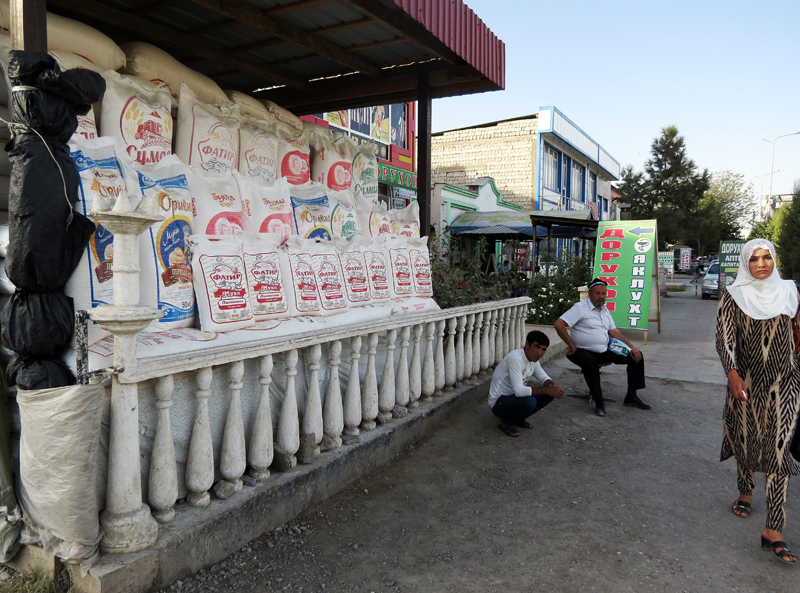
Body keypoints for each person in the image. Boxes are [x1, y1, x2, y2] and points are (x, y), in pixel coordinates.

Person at [716, 238, 800, 564]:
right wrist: (733, 373)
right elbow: (724, 337)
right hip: (746, 381)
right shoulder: (733, 294)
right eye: (755, 259)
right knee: (747, 438)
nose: (762, 263)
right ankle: (746, 490)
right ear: (745, 262)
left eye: (767, 257)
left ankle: (773, 529)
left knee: (780, 449)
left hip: (786, 384)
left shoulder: (791, 292)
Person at [553, 278, 650, 417]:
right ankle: (599, 401)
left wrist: (632, 347)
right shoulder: (580, 308)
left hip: (604, 349)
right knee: (589, 362)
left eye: (604, 294)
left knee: (636, 356)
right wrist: (571, 345)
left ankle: (631, 396)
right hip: (580, 351)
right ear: (590, 294)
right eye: (597, 293)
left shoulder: (604, 310)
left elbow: (613, 331)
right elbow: (559, 324)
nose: (601, 297)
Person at [489, 330, 564, 437]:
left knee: (549, 395)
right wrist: (547, 389)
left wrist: (551, 387)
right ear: (527, 344)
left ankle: (518, 417)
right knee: (530, 401)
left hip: (513, 399)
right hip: (498, 403)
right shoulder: (516, 359)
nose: (540, 353)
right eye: (537, 347)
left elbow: (543, 377)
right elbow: (519, 391)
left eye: (543, 349)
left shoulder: (533, 359)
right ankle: (505, 423)